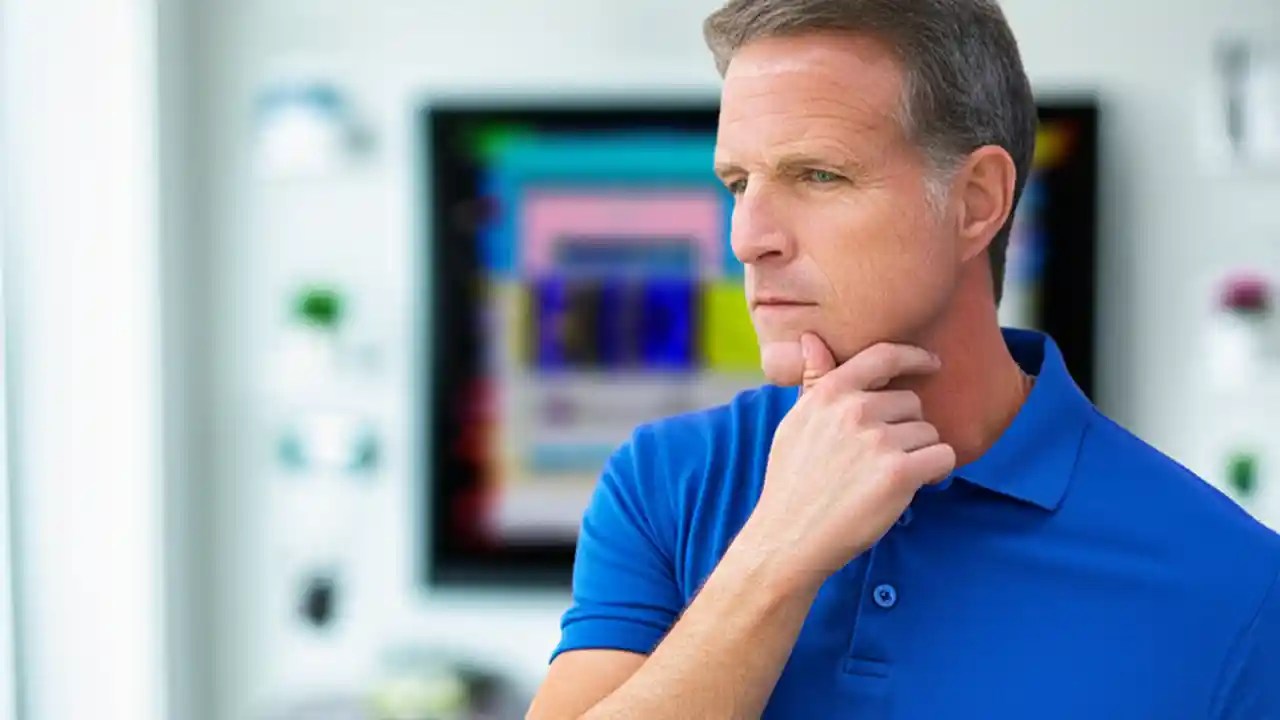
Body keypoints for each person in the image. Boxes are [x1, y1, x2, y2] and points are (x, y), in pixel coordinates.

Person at [527, 1, 1280, 717]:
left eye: (818, 175)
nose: (748, 237)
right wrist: (777, 554)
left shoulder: (1238, 593)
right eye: (738, 183)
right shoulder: (668, 482)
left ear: (976, 201)